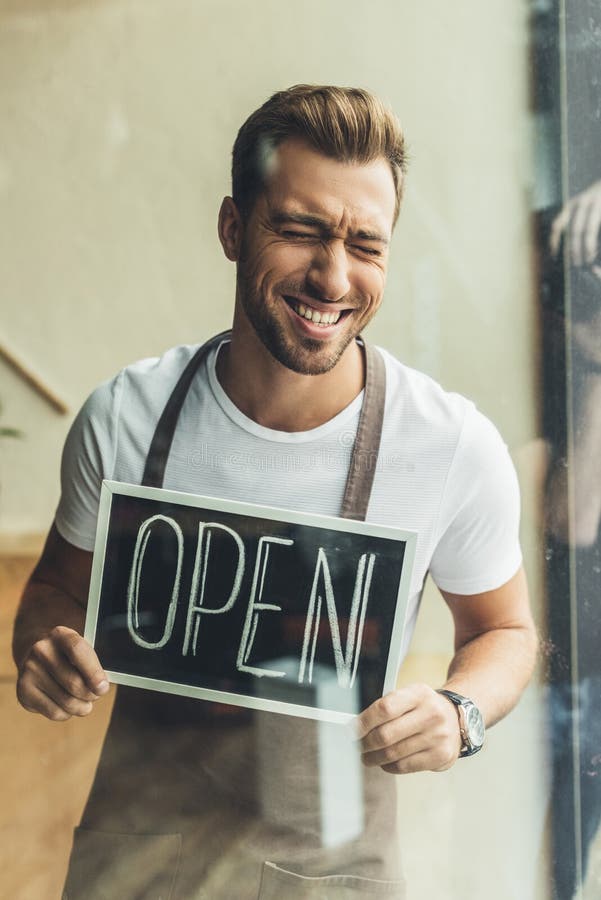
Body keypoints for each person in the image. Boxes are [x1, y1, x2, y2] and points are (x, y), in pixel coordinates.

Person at [12, 85, 537, 899]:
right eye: (299, 231)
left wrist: (459, 712)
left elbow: (504, 630)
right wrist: (43, 646)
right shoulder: (128, 417)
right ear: (233, 228)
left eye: (366, 243)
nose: (333, 276)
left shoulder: (447, 445)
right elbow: (54, 590)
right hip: (137, 867)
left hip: (333, 875)